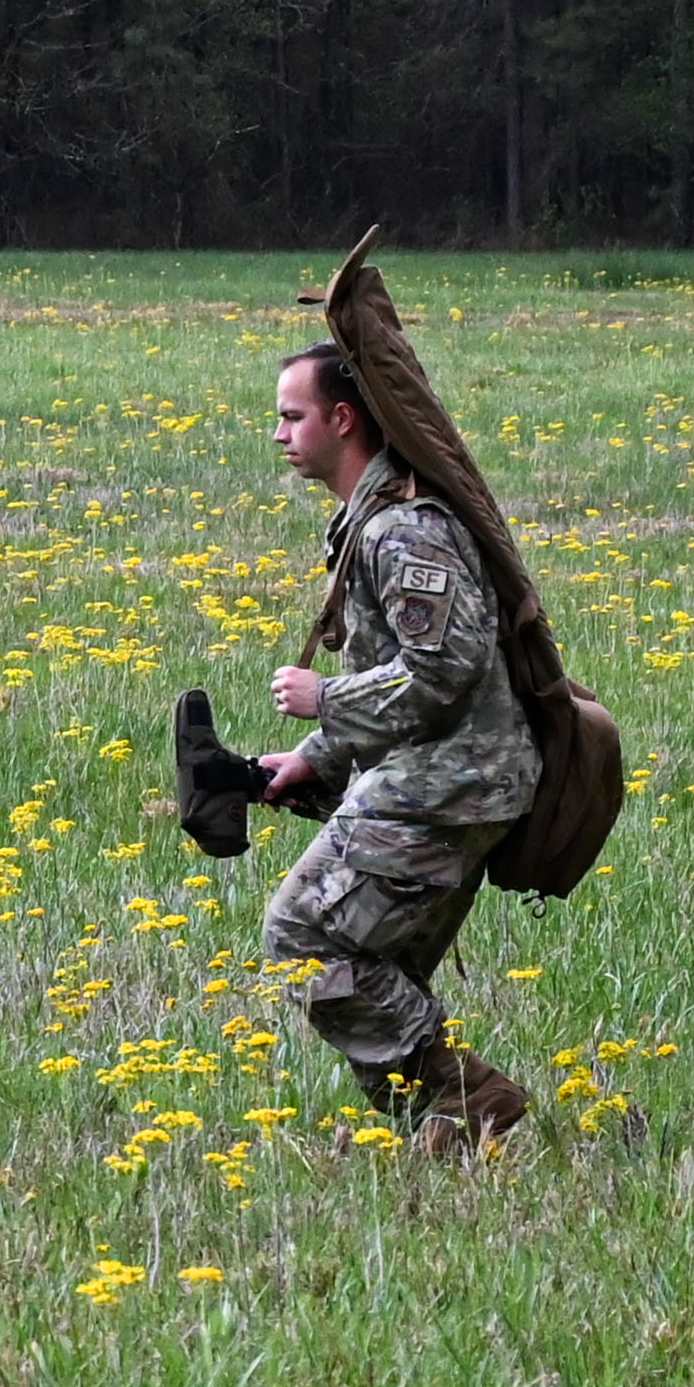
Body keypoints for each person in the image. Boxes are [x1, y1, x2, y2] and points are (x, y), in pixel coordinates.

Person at [255, 334, 537, 1141]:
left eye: (291, 416)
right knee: (378, 964)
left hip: (450, 782)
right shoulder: (367, 523)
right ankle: (438, 1129)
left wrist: (325, 698)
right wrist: (317, 757)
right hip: (445, 776)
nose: (279, 435)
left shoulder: (400, 530)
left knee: (305, 934)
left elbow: (445, 669)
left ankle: (474, 1103)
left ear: (343, 419)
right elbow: (396, 672)